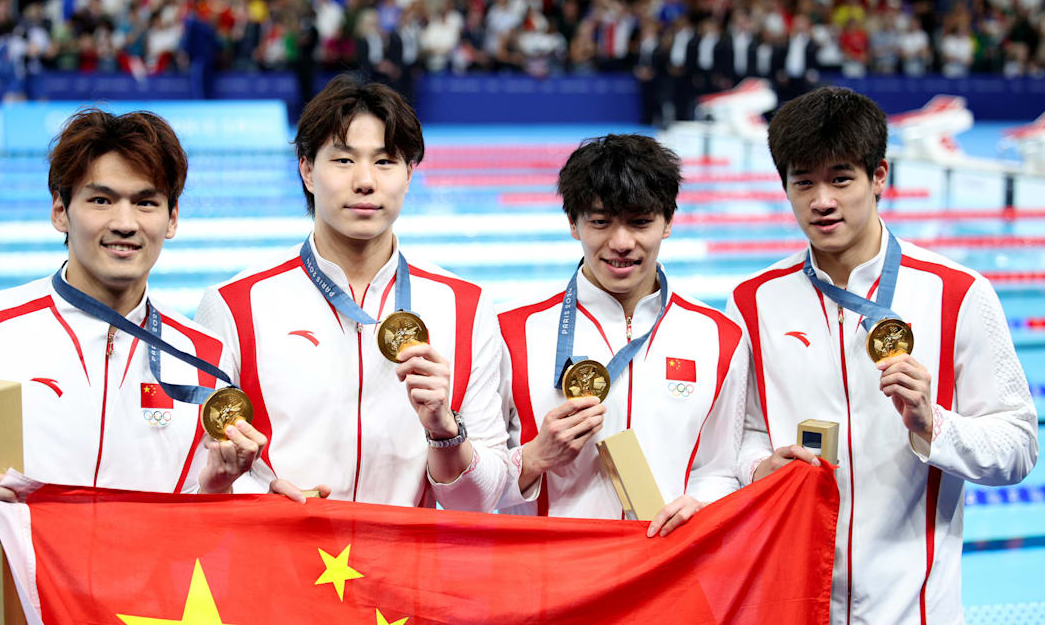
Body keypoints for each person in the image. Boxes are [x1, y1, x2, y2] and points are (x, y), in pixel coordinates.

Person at [0, 109, 264, 625]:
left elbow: (201, 531)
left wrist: (215, 487)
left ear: (173, 218)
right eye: (101, 199)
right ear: (59, 211)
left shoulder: (204, 354)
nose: (125, 222)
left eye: (146, 202)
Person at [728, 87, 1038, 623]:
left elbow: (1018, 447)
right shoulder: (751, 302)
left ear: (880, 177)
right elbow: (734, 439)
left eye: (841, 178)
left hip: (914, 609)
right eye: (803, 182)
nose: (822, 200)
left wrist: (932, 424)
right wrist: (759, 467)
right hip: (794, 601)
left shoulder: (958, 294)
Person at [196, 74, 510, 510]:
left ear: (409, 174)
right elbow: (196, 476)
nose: (365, 181)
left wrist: (444, 431)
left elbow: (480, 501)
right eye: (343, 160)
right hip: (280, 565)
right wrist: (256, 495)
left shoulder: (466, 306)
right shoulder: (234, 304)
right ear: (306, 170)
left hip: (405, 572)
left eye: (384, 162)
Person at [497, 134, 746, 533]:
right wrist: (531, 459)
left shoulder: (719, 338)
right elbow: (467, 488)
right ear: (573, 225)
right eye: (600, 222)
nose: (621, 243)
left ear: (668, 222)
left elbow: (720, 468)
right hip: (550, 578)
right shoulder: (512, 333)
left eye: (640, 221)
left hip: (665, 572)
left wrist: (703, 504)